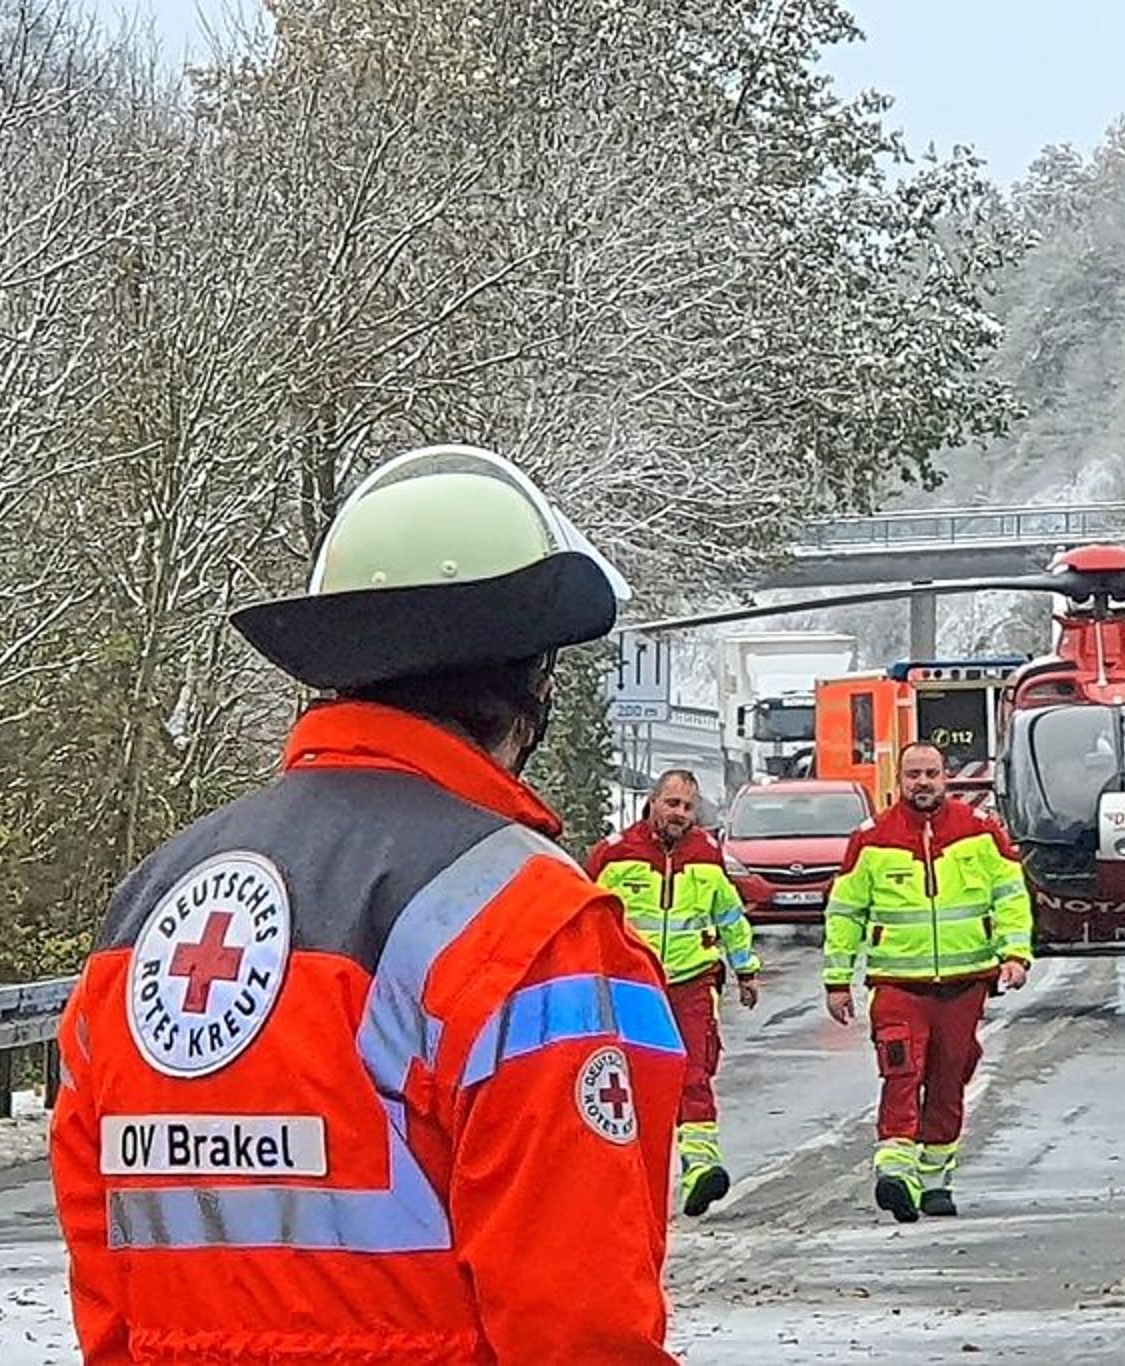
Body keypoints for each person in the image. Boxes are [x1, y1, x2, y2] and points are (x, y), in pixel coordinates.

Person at [49, 445, 685, 1364]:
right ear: (528, 692)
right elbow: (576, 1316)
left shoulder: (150, 908)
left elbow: (102, 1266)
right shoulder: (527, 918)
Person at [823, 741, 1033, 1222]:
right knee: (901, 1071)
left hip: (965, 983)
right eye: (913, 774)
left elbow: (1011, 898)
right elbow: (844, 914)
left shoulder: (980, 832)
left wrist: (1016, 955)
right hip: (898, 984)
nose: (923, 782)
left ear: (946, 777)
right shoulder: (872, 839)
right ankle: (895, 1172)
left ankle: (936, 1180)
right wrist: (837, 981)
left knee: (948, 1078)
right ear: (900, 780)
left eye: (931, 773)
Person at [588, 768, 761, 1217]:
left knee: (695, 1072)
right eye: (672, 804)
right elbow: (586, 919)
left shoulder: (707, 854)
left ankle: (702, 1168)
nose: (680, 814)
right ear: (652, 802)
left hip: (693, 982)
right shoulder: (614, 855)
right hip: (632, 987)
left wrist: (746, 970)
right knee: (634, 1084)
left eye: (687, 806)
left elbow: (729, 918)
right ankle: (630, 1183)